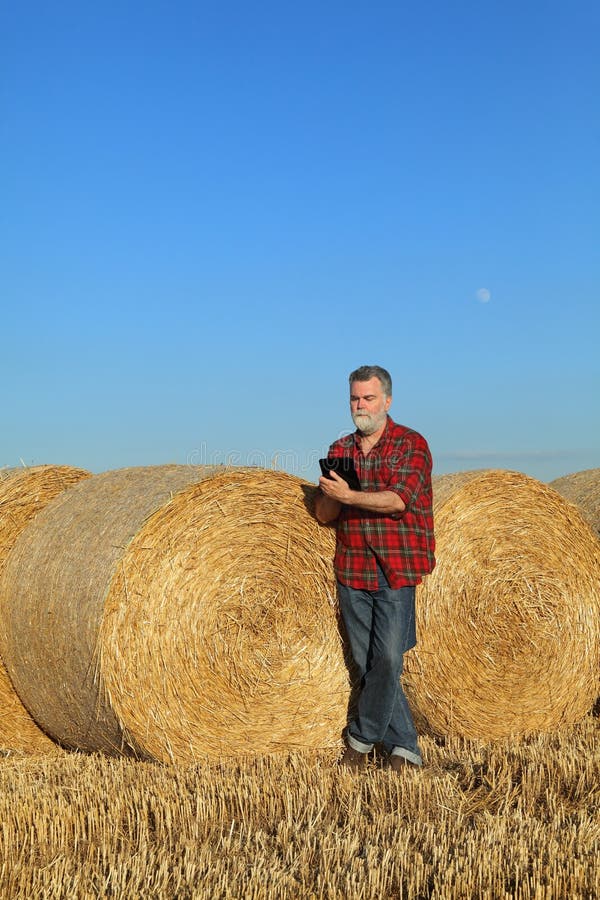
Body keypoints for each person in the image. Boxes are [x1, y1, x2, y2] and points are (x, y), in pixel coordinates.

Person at [315, 365, 435, 772]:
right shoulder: (340, 448)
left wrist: (351, 495)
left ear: (387, 400)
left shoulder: (410, 445)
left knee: (387, 658)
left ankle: (361, 739)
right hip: (353, 568)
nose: (360, 405)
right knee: (369, 662)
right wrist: (332, 495)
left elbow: (398, 501)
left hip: (395, 568)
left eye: (368, 398)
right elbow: (325, 514)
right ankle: (405, 749)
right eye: (354, 398)